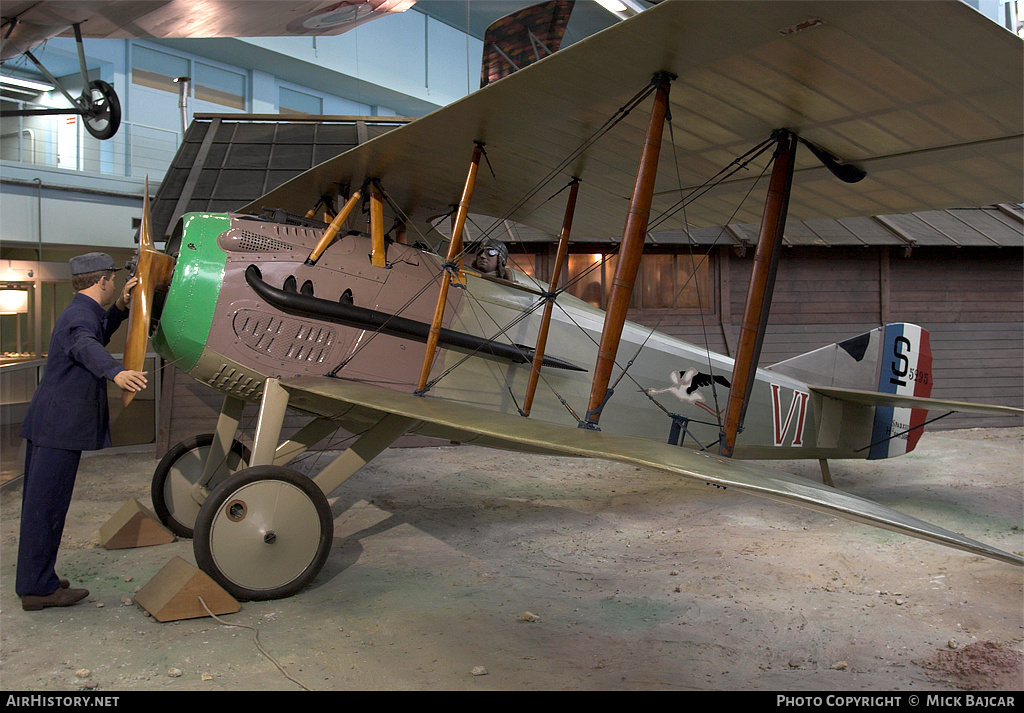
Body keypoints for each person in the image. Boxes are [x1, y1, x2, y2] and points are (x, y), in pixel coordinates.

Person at [16, 252, 148, 612]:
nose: (116, 285)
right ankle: (38, 589)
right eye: (114, 280)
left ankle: (36, 577)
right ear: (102, 280)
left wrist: (120, 308)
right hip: (58, 426)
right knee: (46, 507)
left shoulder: (82, 310)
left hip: (51, 422)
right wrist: (116, 372)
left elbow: (96, 333)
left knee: (41, 505)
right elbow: (85, 344)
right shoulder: (78, 318)